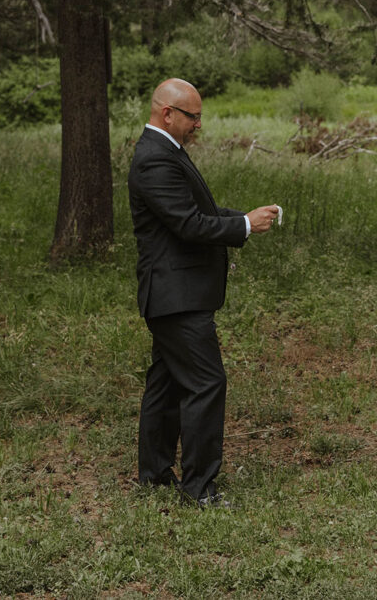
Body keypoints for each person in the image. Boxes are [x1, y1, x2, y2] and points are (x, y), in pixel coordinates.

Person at [129, 78, 281, 508]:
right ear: (168, 114)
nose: (199, 124)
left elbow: (199, 213)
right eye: (193, 116)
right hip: (176, 296)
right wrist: (245, 226)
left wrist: (245, 217)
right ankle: (199, 488)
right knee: (205, 383)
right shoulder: (154, 161)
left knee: (165, 384)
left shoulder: (166, 152)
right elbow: (189, 225)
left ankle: (156, 473)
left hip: (176, 293)